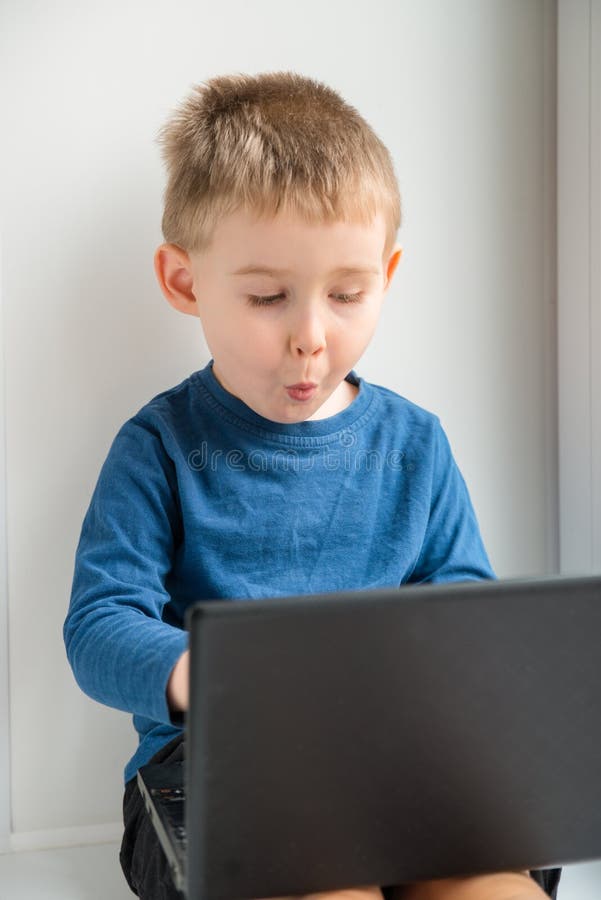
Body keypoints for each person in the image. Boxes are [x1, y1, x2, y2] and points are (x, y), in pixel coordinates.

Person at [63, 71, 561, 900]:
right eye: (267, 297)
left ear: (387, 274)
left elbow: (462, 603)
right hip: (221, 764)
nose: (309, 338)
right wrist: (196, 671)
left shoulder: (414, 445)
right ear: (185, 282)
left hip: (395, 757)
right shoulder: (159, 446)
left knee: (495, 889)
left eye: (347, 294)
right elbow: (98, 624)